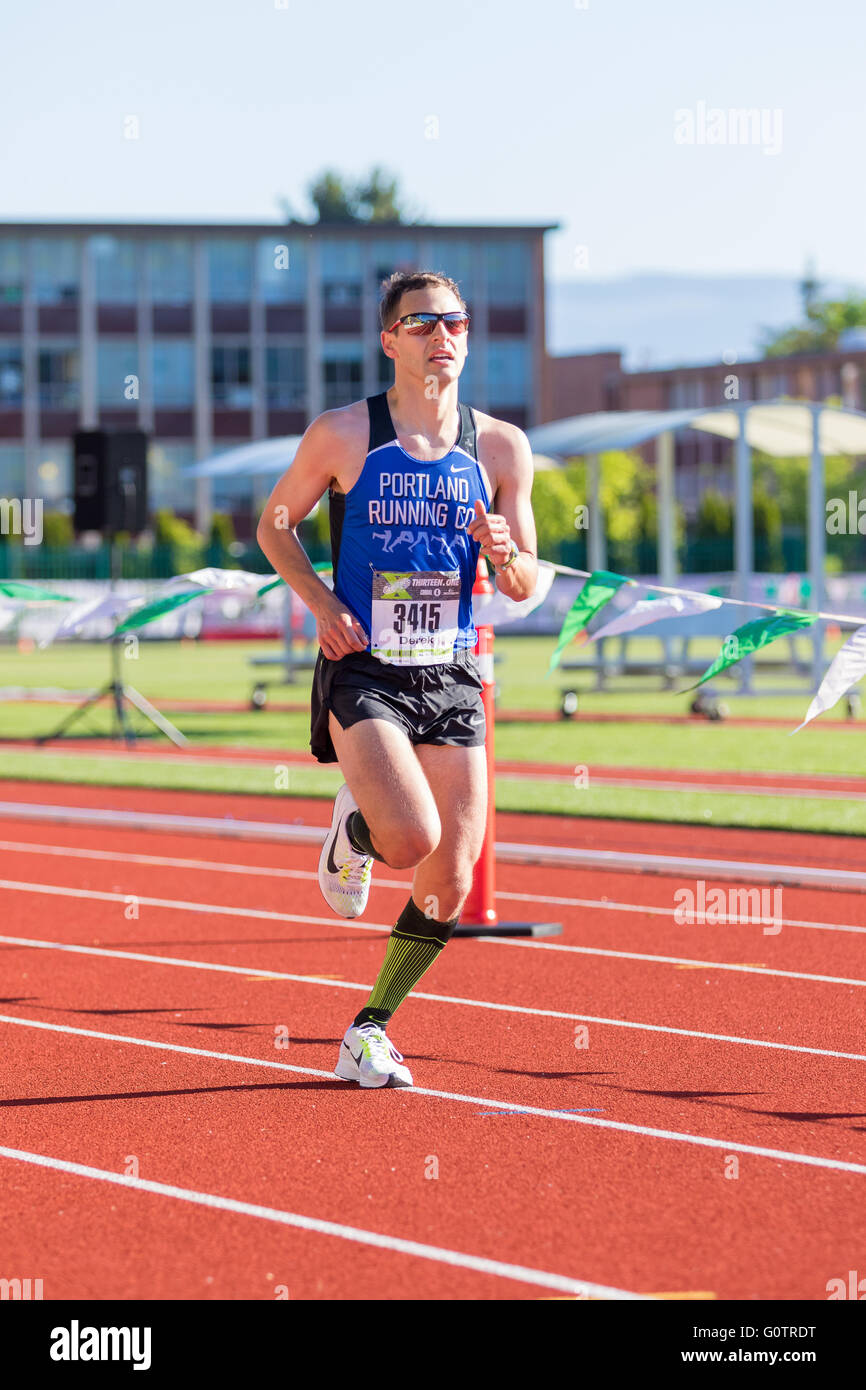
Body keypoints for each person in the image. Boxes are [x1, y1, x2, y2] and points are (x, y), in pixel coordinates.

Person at [257, 269, 538, 1088]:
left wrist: (504, 553)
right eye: (420, 323)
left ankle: (367, 1029)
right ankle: (359, 832)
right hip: (366, 667)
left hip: (451, 671)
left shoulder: (500, 446)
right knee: (412, 839)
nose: (440, 336)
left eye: (454, 322)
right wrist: (316, 601)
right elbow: (276, 527)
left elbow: (524, 580)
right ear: (390, 340)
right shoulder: (345, 433)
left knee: (449, 879)